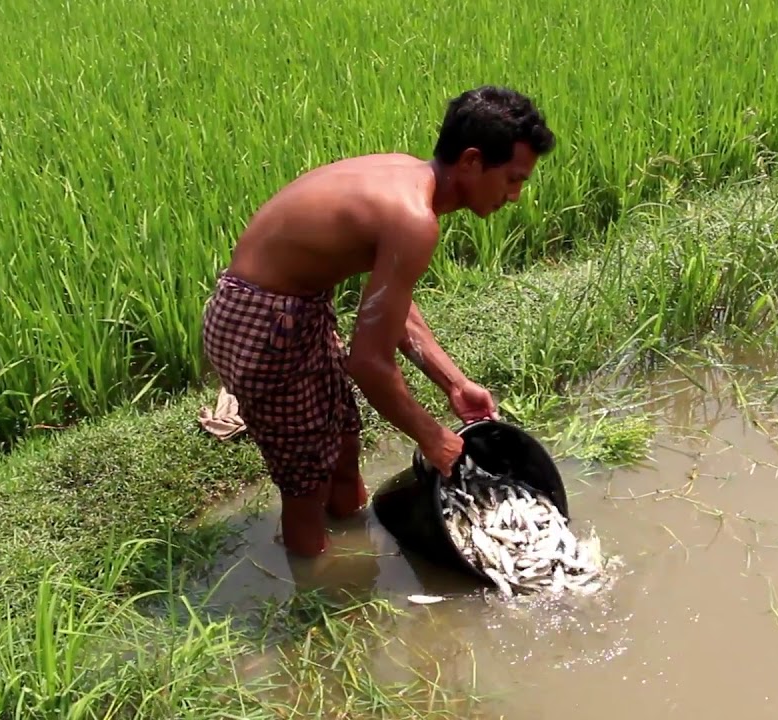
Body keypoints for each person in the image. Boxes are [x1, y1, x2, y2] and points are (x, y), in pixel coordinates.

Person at [201, 85, 556, 557]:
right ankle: (325, 603)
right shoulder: (413, 219)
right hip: (262, 324)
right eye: (513, 179)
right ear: (471, 162)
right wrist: (435, 439)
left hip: (292, 309)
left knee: (343, 442)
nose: (514, 196)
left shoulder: (410, 180)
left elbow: (393, 303)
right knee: (305, 482)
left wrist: (453, 383)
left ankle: (352, 534)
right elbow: (369, 365)